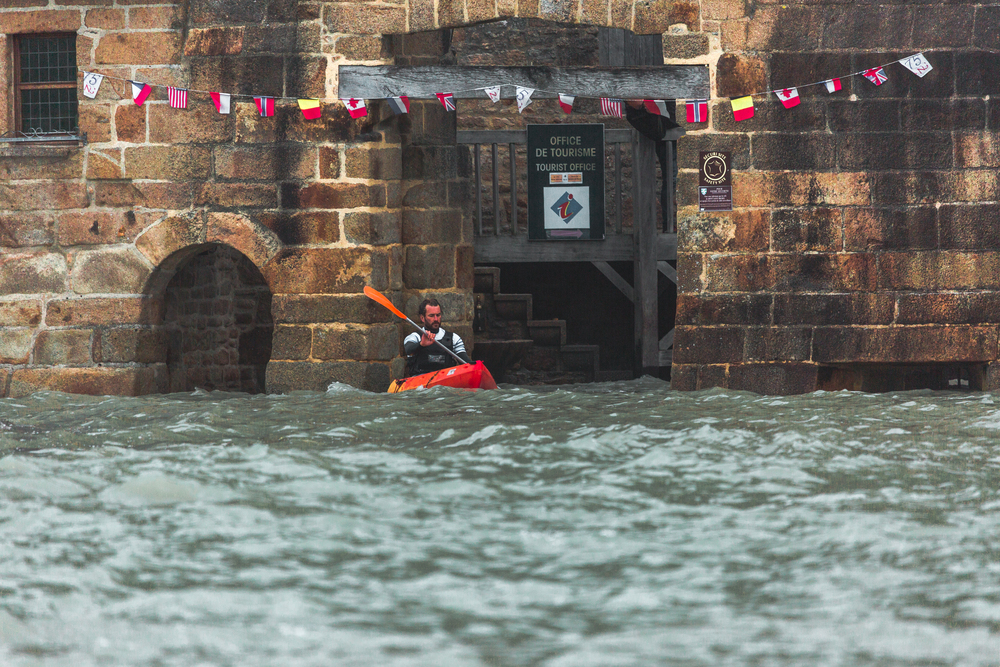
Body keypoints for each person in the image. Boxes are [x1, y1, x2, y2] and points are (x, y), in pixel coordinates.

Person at [625, 100, 684, 231]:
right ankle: (669, 227)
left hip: (682, 127)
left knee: (678, 180)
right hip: (663, 130)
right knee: (671, 180)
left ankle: (673, 226)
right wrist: (638, 105)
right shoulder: (638, 103)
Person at [403, 298, 472, 376]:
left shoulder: (454, 338)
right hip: (420, 383)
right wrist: (421, 345)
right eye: (431, 316)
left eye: (438, 315)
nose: (436, 319)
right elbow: (408, 350)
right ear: (422, 318)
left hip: (445, 381)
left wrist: (475, 367)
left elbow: (465, 362)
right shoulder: (415, 337)